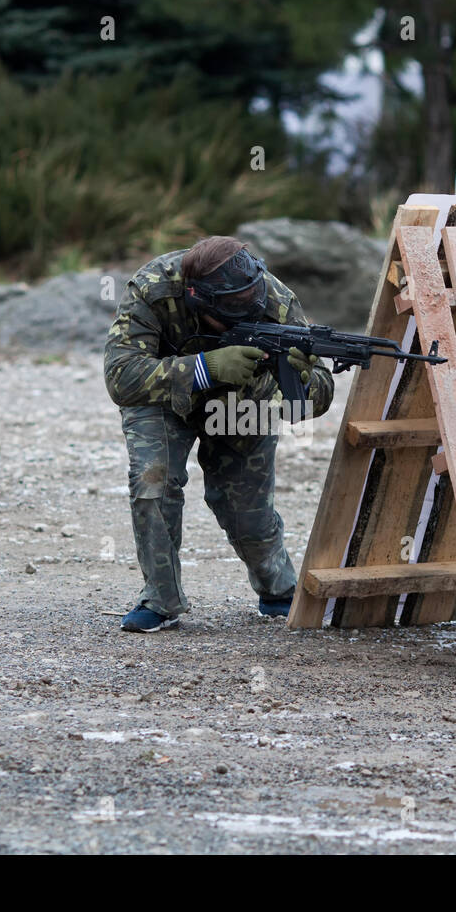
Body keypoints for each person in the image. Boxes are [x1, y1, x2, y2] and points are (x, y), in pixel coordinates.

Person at [104, 236, 334, 633]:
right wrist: (204, 369)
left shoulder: (277, 299)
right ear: (198, 300)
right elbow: (121, 376)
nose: (248, 312)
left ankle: (278, 590)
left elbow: (314, 402)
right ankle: (160, 600)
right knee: (154, 480)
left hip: (241, 402)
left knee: (247, 511)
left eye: (252, 302)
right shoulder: (153, 288)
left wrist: (300, 376)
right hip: (162, 398)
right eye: (232, 312)